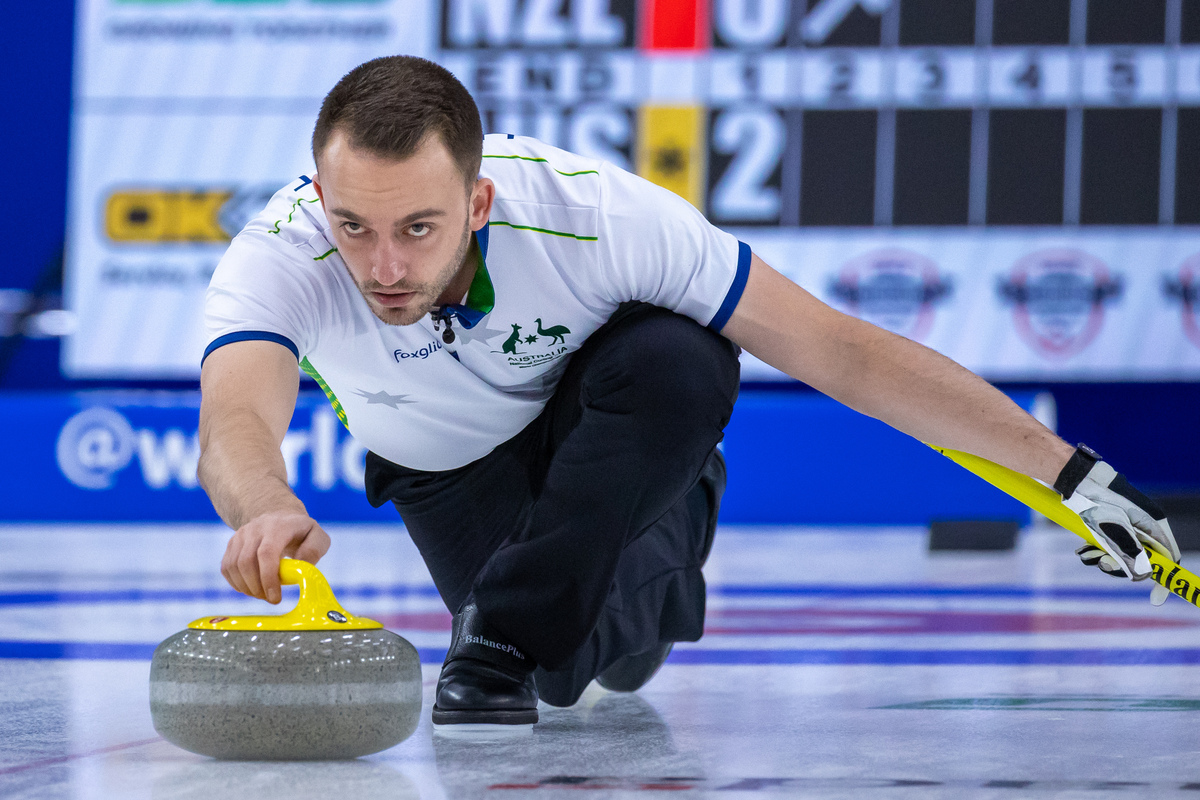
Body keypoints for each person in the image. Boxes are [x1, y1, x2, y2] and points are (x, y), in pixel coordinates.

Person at [197, 55, 1180, 727]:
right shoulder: (282, 253)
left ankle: (545, 597)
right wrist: (265, 506)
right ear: (322, 200)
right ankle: (636, 564)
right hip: (445, 465)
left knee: (683, 354)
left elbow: (840, 351)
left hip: (598, 422)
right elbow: (235, 419)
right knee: (577, 674)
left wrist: (1074, 479)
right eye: (355, 227)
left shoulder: (595, 217)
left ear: (479, 200)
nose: (383, 266)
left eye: (419, 228)